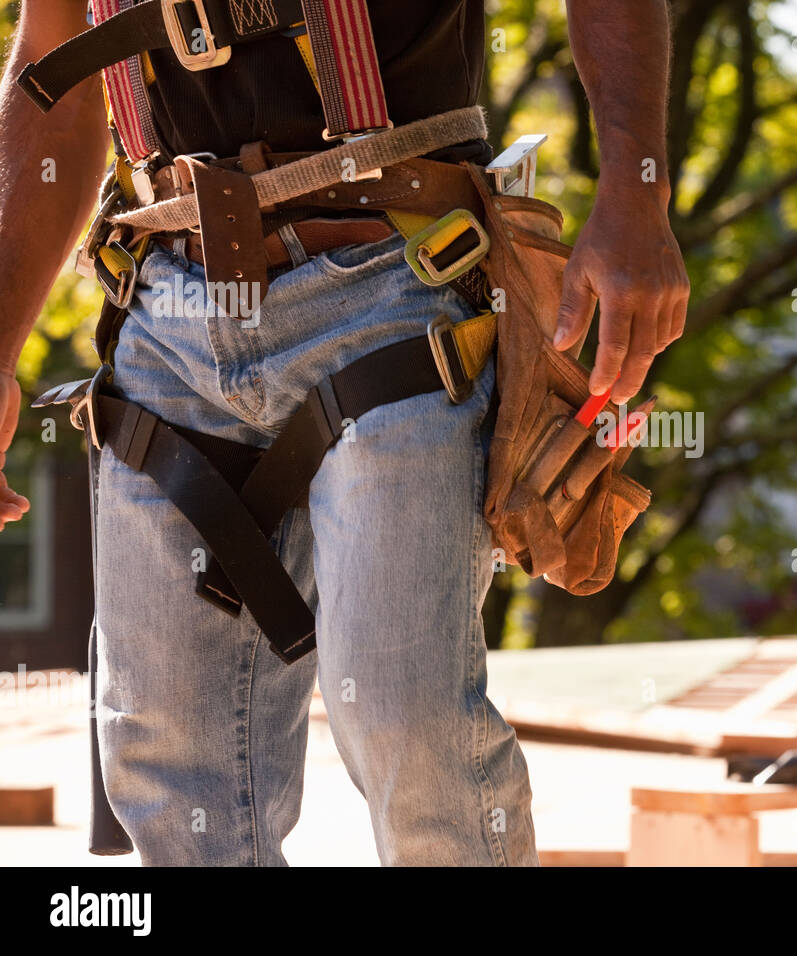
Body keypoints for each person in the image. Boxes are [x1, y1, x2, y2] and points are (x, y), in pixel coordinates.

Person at [0, 1, 688, 866]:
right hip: (166, 300)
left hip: (393, 281)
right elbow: (52, 64)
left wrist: (637, 192)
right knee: (167, 760)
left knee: (410, 722)